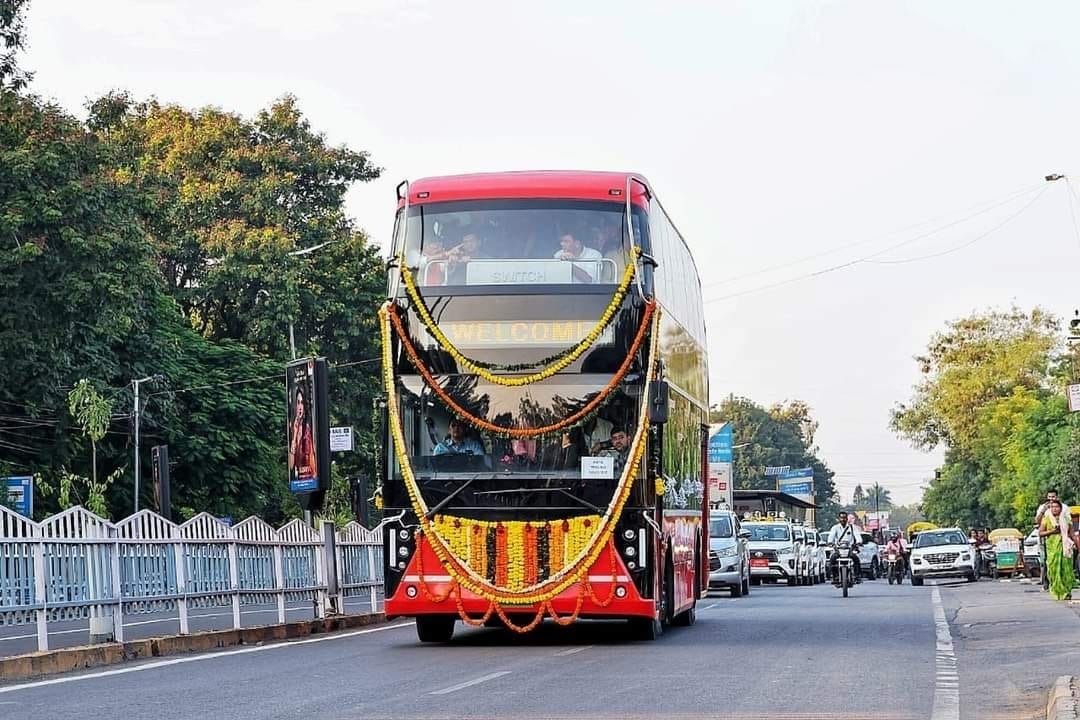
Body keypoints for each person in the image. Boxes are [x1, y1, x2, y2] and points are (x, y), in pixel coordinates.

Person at [1039, 499, 1078, 601]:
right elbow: (1041, 533)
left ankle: (1066, 592)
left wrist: (1078, 546)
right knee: (1053, 570)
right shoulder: (1046, 519)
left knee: (1066, 570)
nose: (1054, 509)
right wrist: (1052, 531)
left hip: (1065, 547)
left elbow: (1072, 534)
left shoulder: (1066, 519)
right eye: (1052, 507)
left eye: (1056, 507)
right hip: (1052, 549)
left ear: (1061, 508)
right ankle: (1057, 592)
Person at [1035, 490, 1069, 590]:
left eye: (1053, 497)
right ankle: (1048, 582)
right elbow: (1037, 521)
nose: (1051, 499)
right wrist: (1043, 510)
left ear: (1057, 497)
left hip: (1062, 539)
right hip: (1047, 540)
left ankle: (1063, 583)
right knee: (1048, 561)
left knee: (1063, 561)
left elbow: (1069, 523)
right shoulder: (1043, 508)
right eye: (1049, 497)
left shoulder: (1064, 508)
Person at [289, 388, 317, 481]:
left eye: (302, 403)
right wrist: (294, 437)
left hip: (310, 478)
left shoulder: (309, 428)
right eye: (298, 402)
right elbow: (291, 466)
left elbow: (313, 456)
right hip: (298, 479)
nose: (300, 407)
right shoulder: (293, 427)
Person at [826, 511, 862, 584]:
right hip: (838, 550)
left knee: (856, 559)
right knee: (832, 559)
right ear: (838, 519)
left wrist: (858, 542)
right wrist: (830, 542)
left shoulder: (852, 527)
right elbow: (831, 537)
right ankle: (834, 576)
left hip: (849, 549)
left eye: (844, 518)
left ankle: (857, 576)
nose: (843, 519)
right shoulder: (835, 528)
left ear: (847, 519)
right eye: (841, 518)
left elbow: (857, 536)